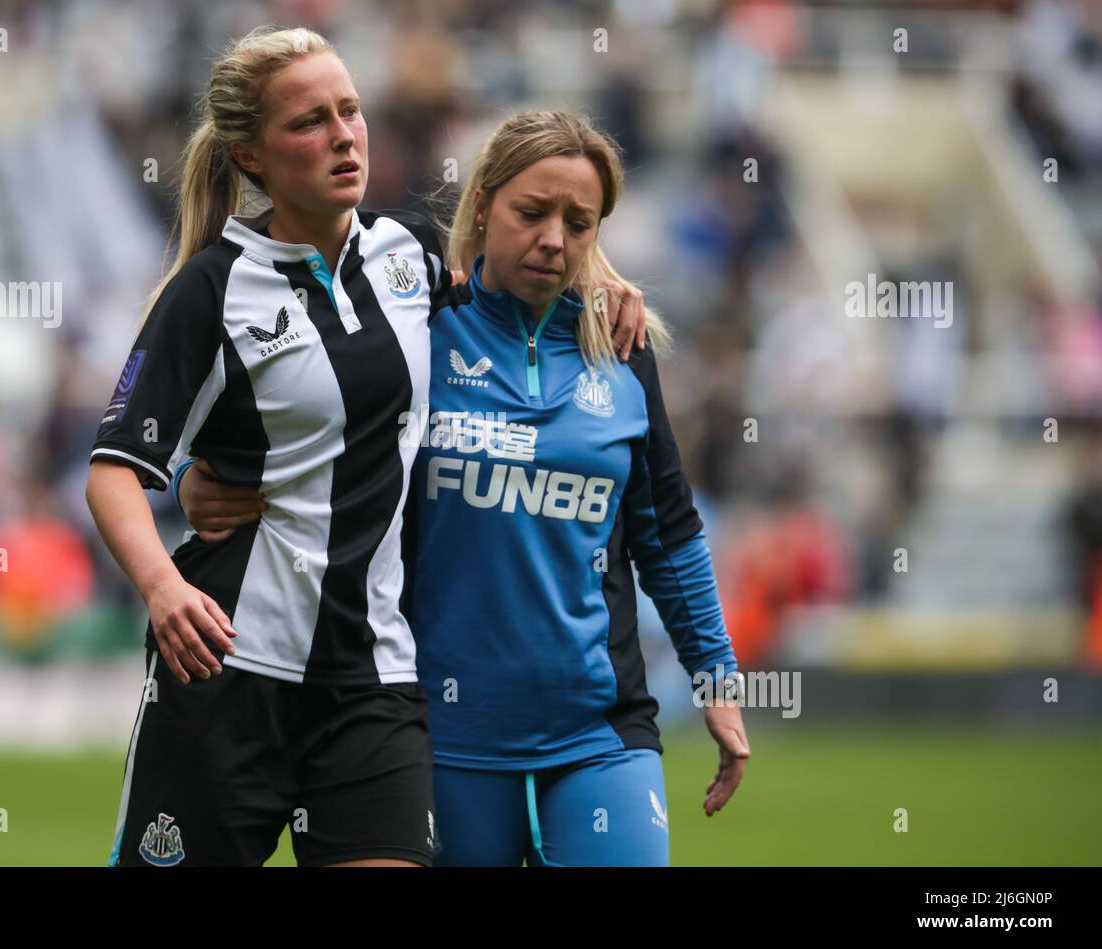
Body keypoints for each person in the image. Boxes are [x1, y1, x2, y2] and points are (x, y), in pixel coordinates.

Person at [176, 110, 750, 866]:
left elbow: (667, 531)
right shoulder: (417, 328)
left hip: (600, 734)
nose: (554, 239)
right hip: (439, 735)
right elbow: (308, 433)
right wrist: (198, 479)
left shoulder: (620, 349)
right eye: (532, 212)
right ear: (482, 202)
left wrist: (715, 677)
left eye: (579, 223)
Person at [87, 25, 447, 868]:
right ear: (250, 156)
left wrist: (600, 283)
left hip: (374, 679)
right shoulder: (207, 292)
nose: (342, 135)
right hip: (228, 675)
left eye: (350, 111)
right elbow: (113, 474)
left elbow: (515, 298)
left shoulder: (414, 257)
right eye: (310, 122)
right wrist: (163, 588)